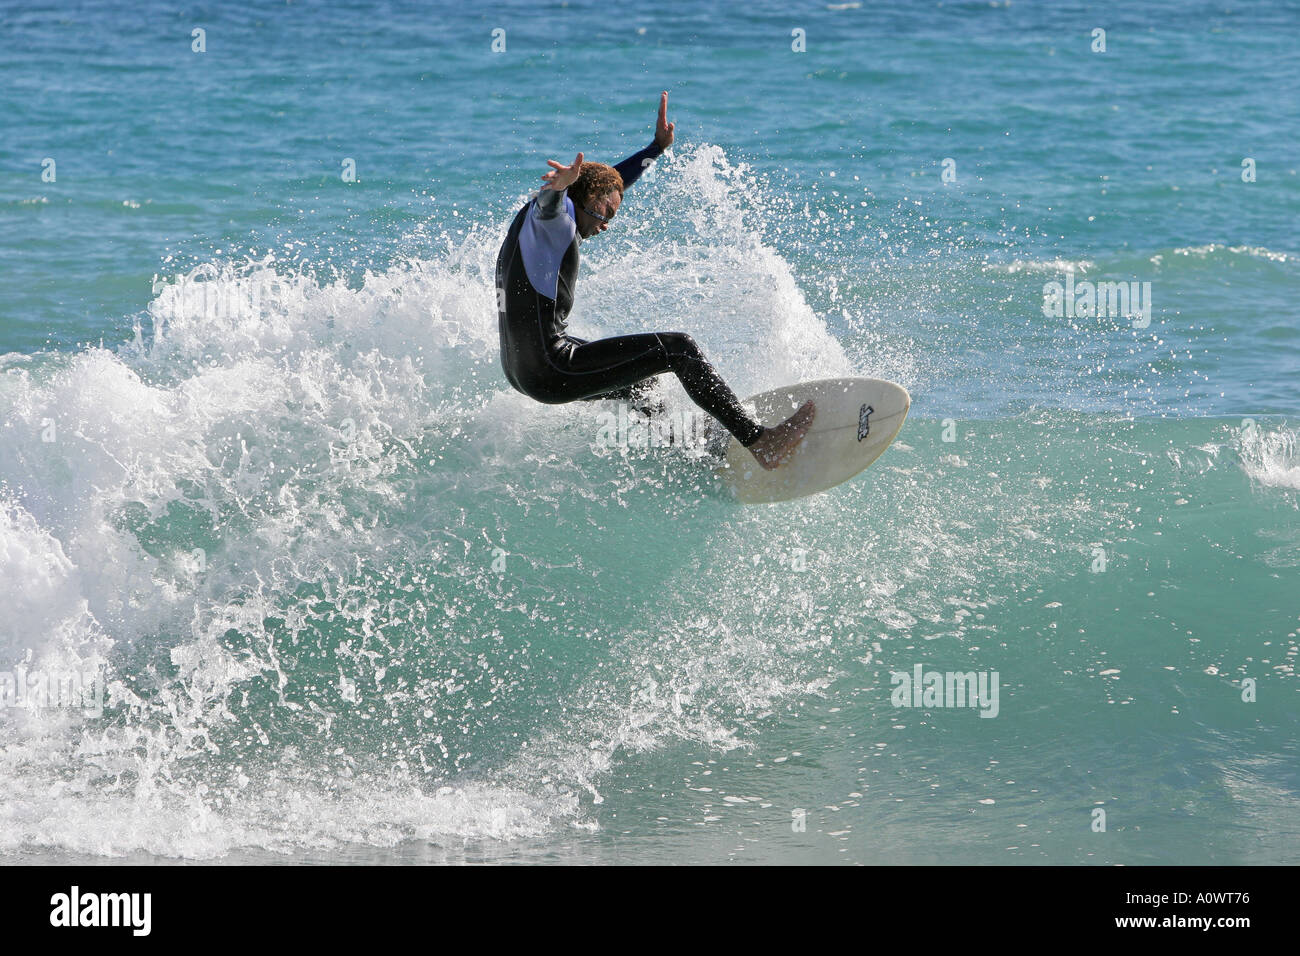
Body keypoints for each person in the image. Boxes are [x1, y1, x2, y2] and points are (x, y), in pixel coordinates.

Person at [494, 92, 814, 469]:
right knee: (679, 349)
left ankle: (688, 452)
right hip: (551, 367)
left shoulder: (540, 219)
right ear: (583, 197)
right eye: (605, 214)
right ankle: (760, 442)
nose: (606, 224)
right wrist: (559, 185)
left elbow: (610, 184)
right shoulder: (555, 216)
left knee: (642, 383)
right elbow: (555, 201)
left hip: (522, 369)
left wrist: (655, 149)